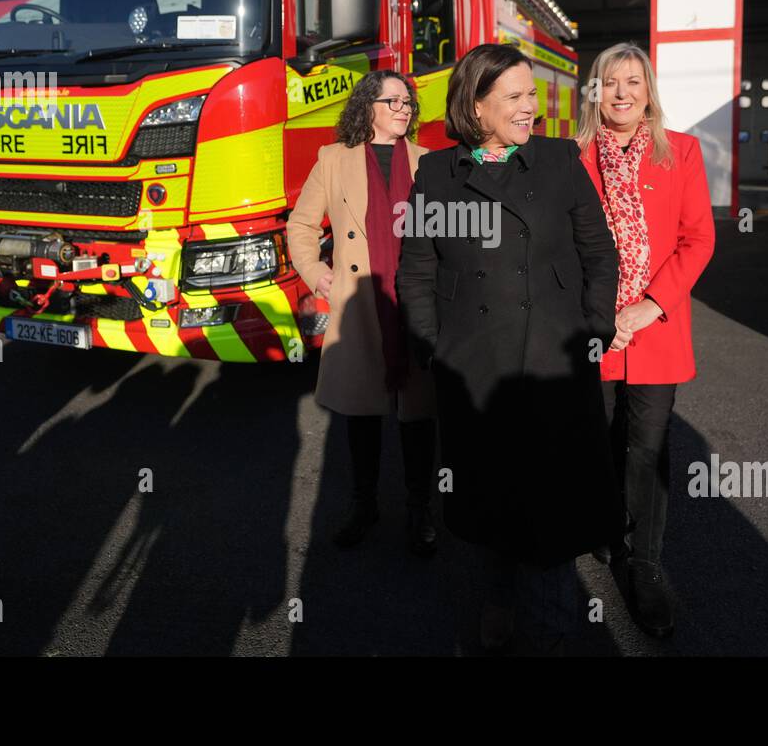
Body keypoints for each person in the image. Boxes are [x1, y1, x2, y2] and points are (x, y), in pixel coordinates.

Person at [396, 43, 621, 653]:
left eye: (533, 96)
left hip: (556, 363)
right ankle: (498, 602)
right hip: (476, 371)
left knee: (551, 517)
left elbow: (599, 252)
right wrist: (433, 350)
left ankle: (546, 634)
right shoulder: (437, 175)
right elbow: (416, 273)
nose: (532, 110)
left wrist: (594, 329)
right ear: (475, 105)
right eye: (515, 98)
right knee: (492, 502)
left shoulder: (556, 160)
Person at [577, 42, 715, 638]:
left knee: (648, 449)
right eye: (611, 82)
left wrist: (649, 305)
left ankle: (647, 567)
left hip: (654, 328)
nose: (622, 92)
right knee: (604, 441)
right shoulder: (576, 157)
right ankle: (609, 528)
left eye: (634, 81)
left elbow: (698, 239)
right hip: (595, 331)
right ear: (596, 91)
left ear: (649, 90)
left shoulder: (680, 151)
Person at [286, 70, 438, 556]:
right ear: (366, 107)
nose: (403, 109)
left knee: (418, 416)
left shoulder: (428, 163)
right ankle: (364, 504)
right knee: (361, 411)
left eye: (407, 102)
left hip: (414, 300)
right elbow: (302, 225)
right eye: (392, 101)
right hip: (360, 300)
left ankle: (419, 509)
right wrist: (316, 273)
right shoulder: (333, 159)